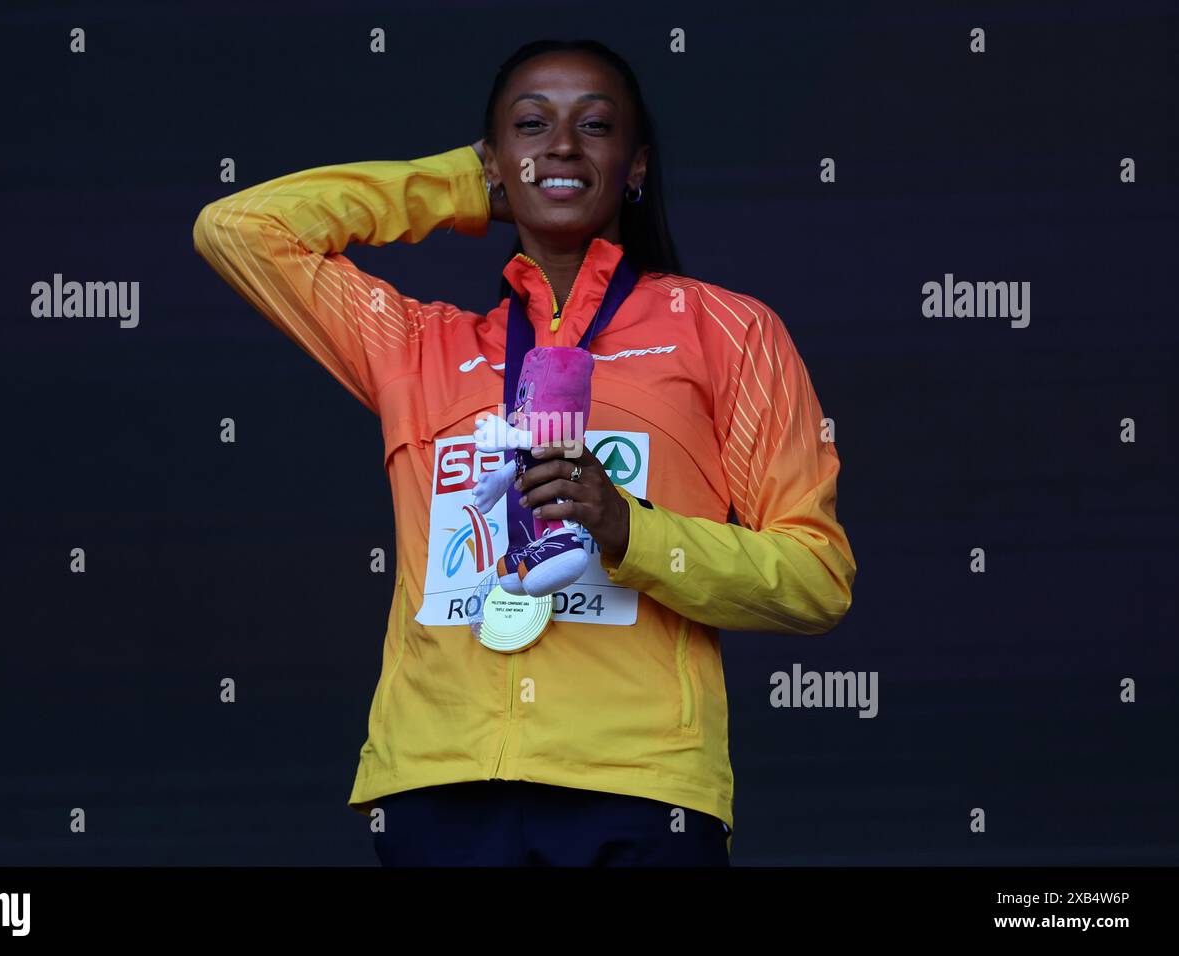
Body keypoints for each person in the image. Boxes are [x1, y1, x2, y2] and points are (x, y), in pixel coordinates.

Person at [192, 38, 856, 866]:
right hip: (439, 784)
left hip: (641, 789)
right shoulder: (416, 349)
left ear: (637, 165)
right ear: (495, 162)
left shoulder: (728, 332)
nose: (564, 146)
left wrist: (629, 532)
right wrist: (463, 184)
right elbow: (239, 229)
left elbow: (816, 579)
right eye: (532, 126)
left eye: (597, 125)